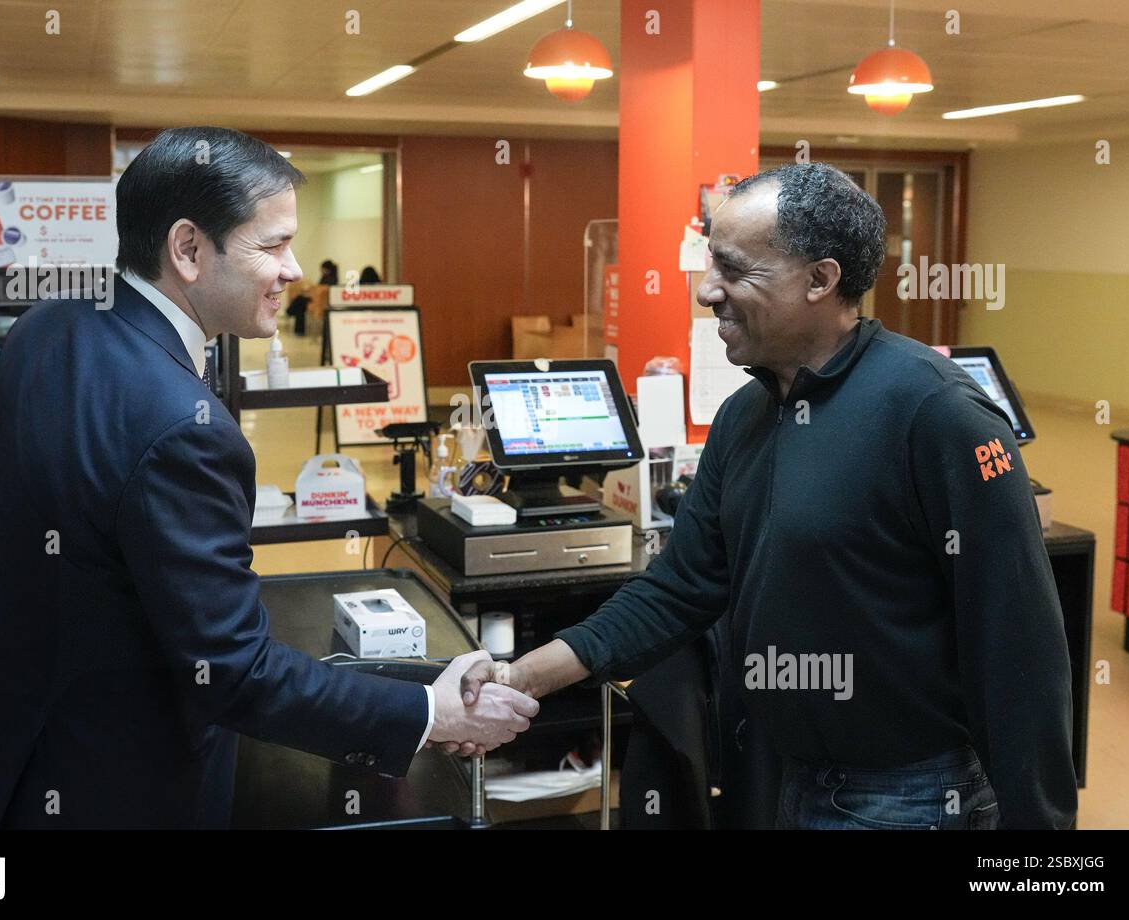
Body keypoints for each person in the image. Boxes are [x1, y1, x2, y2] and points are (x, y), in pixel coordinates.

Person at [0, 127, 537, 829]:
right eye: (273, 245)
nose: (294, 271)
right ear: (189, 249)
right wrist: (428, 713)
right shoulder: (182, 427)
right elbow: (233, 674)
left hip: (12, 760)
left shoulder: (43, 330)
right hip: (121, 787)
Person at [460, 163, 1076, 830]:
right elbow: (681, 589)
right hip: (783, 777)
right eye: (707, 263)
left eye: (734, 268)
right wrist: (522, 675)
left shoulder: (935, 413)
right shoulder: (747, 415)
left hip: (912, 799)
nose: (707, 291)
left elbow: (1019, 651)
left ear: (821, 279)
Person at [285, 260, 338, 336]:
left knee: (300, 300)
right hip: (316, 298)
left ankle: (289, 312)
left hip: (319, 302)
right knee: (300, 305)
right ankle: (298, 329)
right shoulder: (326, 277)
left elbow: (321, 289)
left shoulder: (331, 279)